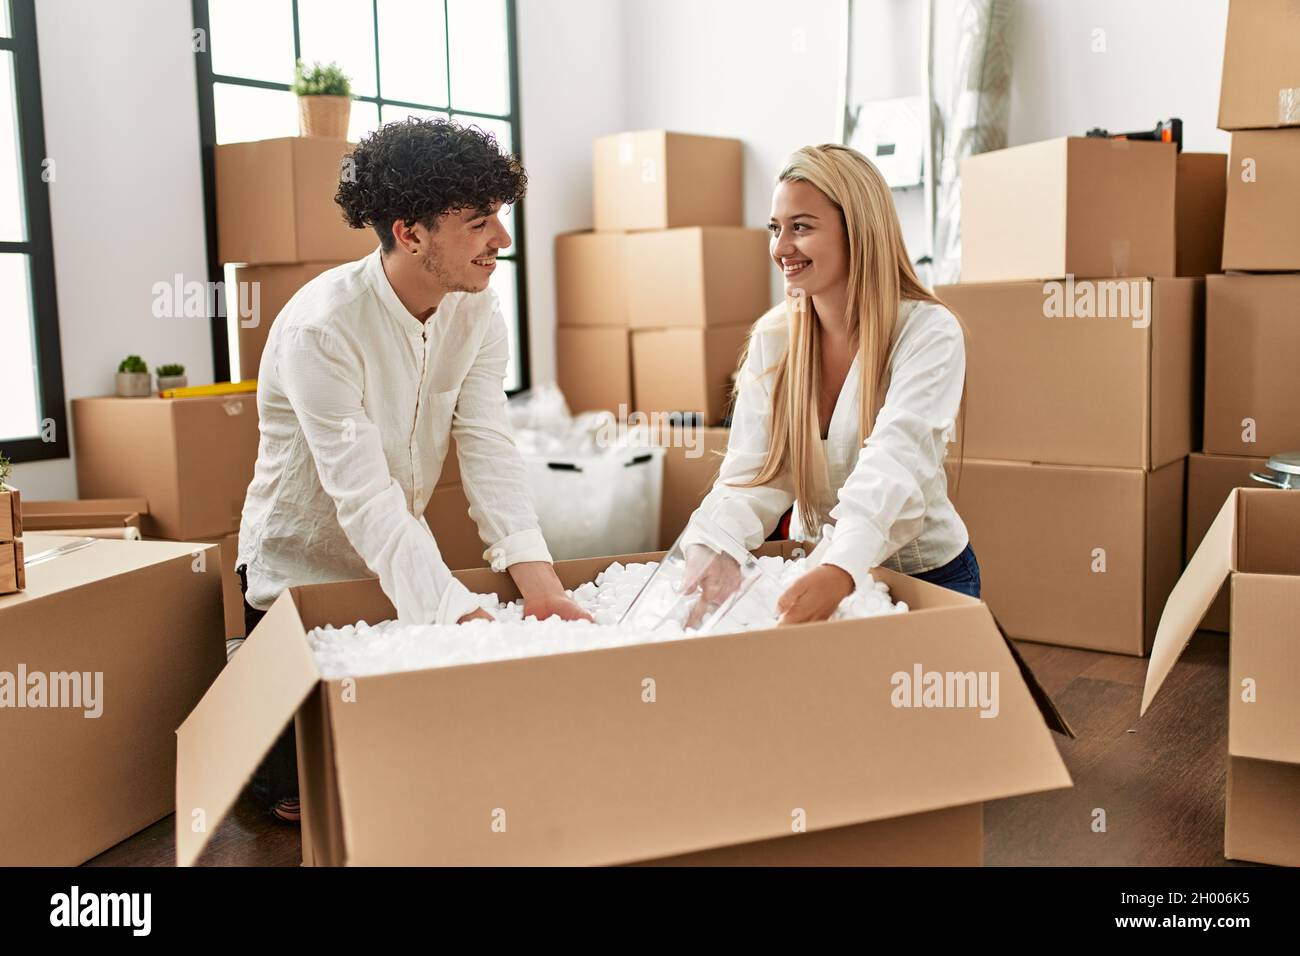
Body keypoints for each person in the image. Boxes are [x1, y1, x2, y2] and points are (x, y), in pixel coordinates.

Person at [234, 118, 590, 822]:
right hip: (298, 582)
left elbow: (489, 444)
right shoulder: (322, 331)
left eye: (500, 217)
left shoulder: (478, 315)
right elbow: (364, 497)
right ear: (410, 232)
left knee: (422, 776)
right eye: (481, 222)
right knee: (310, 801)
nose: (503, 242)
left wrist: (537, 579)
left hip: (396, 575)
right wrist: (455, 610)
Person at [681, 143, 978, 627]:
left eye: (801, 227)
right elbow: (752, 474)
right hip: (813, 569)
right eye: (776, 229)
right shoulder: (774, 337)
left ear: (858, 230)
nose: (780, 248)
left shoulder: (928, 331)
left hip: (924, 579)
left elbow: (896, 462)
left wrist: (842, 565)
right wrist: (713, 542)